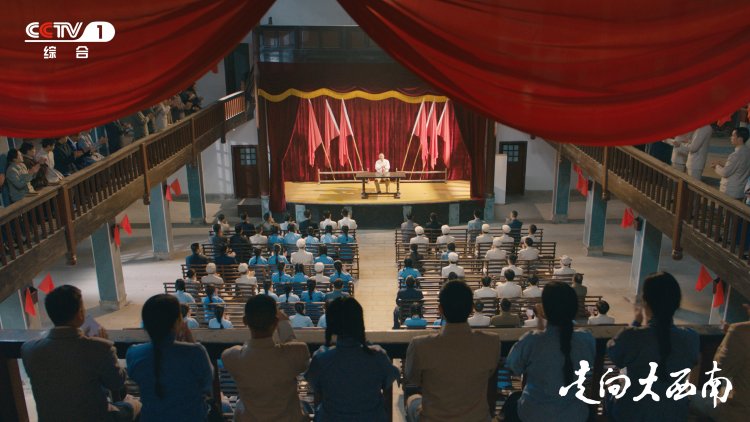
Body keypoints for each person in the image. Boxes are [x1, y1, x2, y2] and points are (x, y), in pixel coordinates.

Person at [22, 285, 141, 421]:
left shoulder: (29, 349)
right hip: (96, 417)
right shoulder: (99, 348)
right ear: (80, 313)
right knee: (135, 404)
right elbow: (116, 382)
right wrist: (104, 346)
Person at [606, 272, 699, 422]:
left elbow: (614, 355)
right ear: (676, 304)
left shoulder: (632, 336)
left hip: (633, 413)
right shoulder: (691, 338)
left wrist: (636, 322)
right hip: (674, 413)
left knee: (611, 388)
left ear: (645, 302)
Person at [405, 281, 501, 421]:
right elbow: (490, 373)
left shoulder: (420, 345)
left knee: (412, 400)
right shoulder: (491, 342)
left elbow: (413, 378)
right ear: (471, 309)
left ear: (440, 309)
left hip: (434, 418)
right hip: (477, 418)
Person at [506, 282, 596, 422]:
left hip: (533, 414)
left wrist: (540, 326)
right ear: (574, 309)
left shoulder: (532, 340)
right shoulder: (586, 339)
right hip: (575, 414)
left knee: (512, 401)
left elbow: (513, 366)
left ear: (545, 310)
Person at [305, 297, 400, 420]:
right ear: (359, 321)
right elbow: (388, 388)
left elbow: (317, 392)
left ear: (331, 324)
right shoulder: (378, 356)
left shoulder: (321, 359)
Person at [222, 294, 310, 422]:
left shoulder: (232, 357)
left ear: (245, 321)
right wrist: (284, 322)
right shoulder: (296, 353)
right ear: (275, 322)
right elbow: (292, 345)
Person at [126, 295, 212, 421]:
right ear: (178, 322)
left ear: (145, 325)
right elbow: (207, 385)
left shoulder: (134, 353)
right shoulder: (196, 352)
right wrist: (191, 342)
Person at [691, 303, 750, 421]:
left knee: (686, 399)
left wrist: (729, 337)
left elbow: (720, 370)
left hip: (736, 412)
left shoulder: (740, 331)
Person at [712, 127, 750, 199]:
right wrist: (723, 165)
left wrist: (716, 166)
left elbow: (725, 173)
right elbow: (739, 167)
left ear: (740, 139)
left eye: (733, 136)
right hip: (740, 190)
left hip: (730, 191)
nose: (731, 137)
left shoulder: (736, 155)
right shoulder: (747, 151)